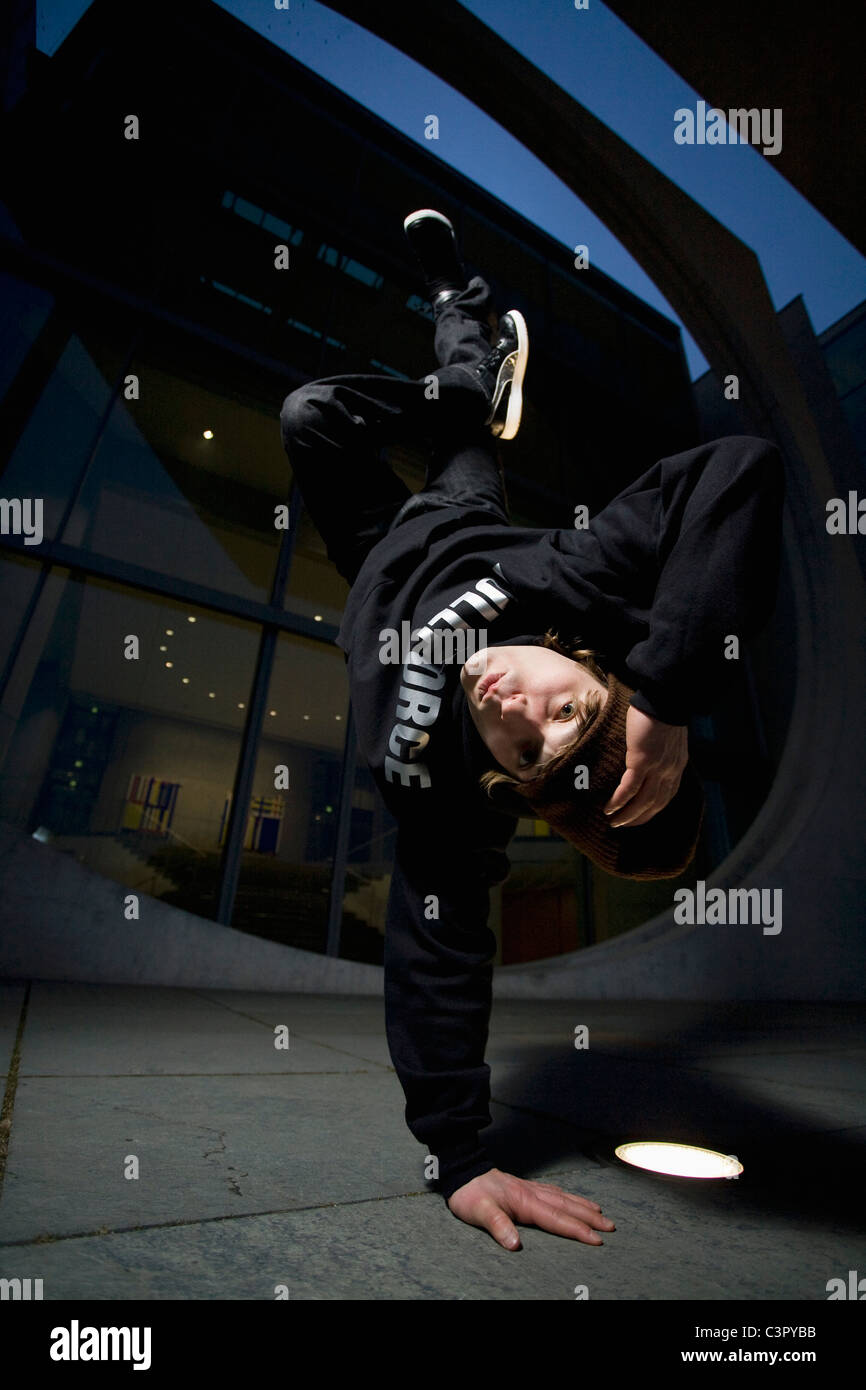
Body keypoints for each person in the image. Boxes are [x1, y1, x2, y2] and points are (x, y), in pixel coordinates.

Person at [279, 209, 785, 1250]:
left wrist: (461, 1160)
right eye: (561, 707)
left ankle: (472, 382)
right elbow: (735, 469)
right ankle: (464, 316)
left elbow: (437, 964)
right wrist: (665, 695)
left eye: (524, 749)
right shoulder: (583, 589)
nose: (508, 704)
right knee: (457, 417)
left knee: (310, 414)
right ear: (593, 663)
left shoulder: (450, 817)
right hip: (460, 515)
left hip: (379, 553)